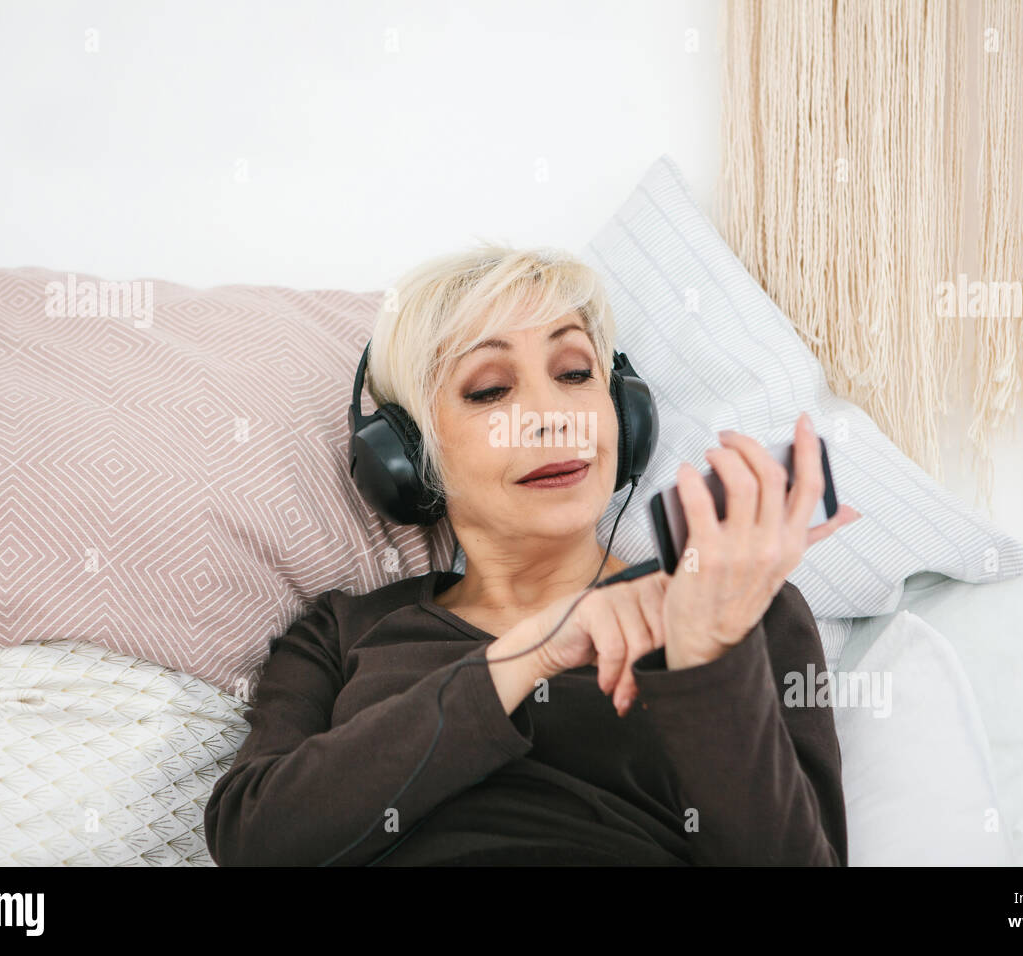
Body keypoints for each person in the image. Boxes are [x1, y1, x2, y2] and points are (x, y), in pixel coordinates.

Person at [203, 244, 862, 866]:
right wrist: (526, 658)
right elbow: (255, 842)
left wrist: (709, 661)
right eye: (488, 390)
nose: (551, 417)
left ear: (623, 417)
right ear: (408, 455)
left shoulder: (740, 603)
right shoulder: (341, 632)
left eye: (575, 374)